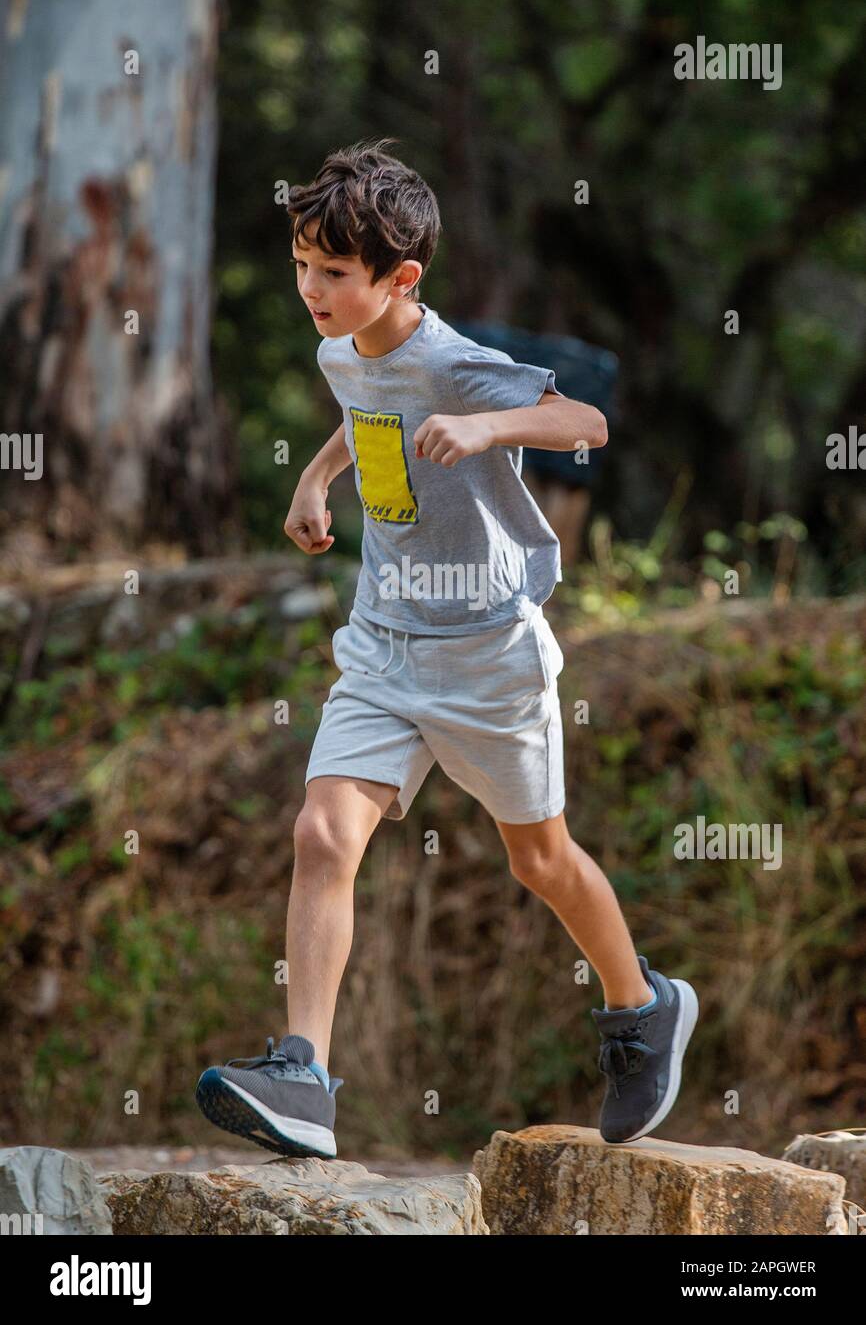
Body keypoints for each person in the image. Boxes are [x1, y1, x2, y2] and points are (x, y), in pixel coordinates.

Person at [195, 138, 698, 1159]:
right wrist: (316, 479)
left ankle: (641, 1003)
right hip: (385, 644)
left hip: (486, 656)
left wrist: (486, 430)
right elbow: (362, 404)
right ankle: (303, 1073)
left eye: (332, 273)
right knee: (322, 835)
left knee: (540, 859)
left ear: (400, 279)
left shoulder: (454, 361)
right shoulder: (344, 343)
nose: (310, 290)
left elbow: (582, 420)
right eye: (300, 265)